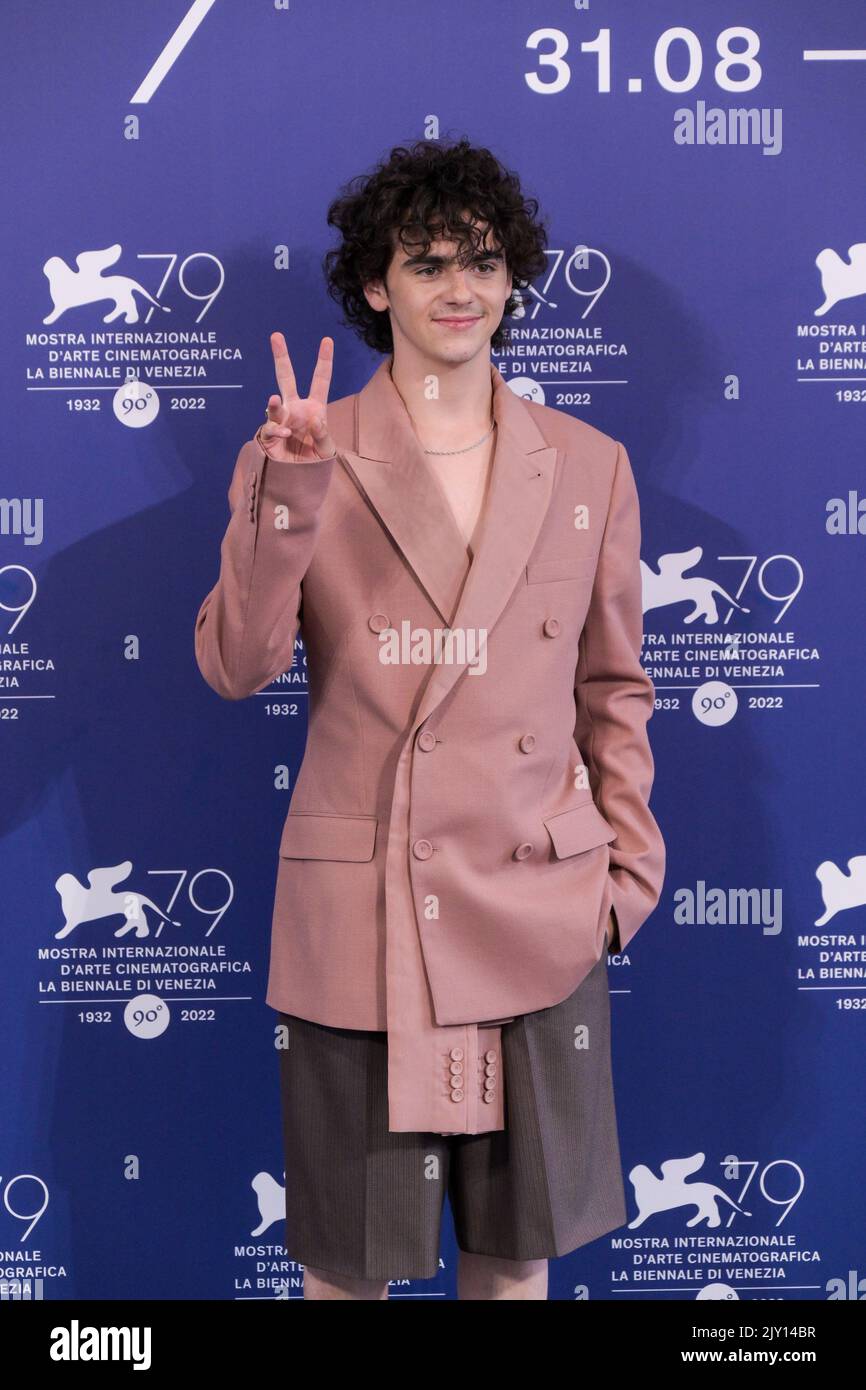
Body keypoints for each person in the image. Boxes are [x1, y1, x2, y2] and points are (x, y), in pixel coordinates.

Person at [194, 138, 666, 1300]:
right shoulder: (303, 454)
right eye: (426, 262)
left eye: (483, 261)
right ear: (374, 285)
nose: (459, 288)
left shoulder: (589, 465)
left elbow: (613, 689)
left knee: (513, 1266)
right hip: (364, 917)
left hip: (538, 914)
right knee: (349, 1272)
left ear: (512, 281)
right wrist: (287, 494)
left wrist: (623, 876)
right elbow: (234, 664)